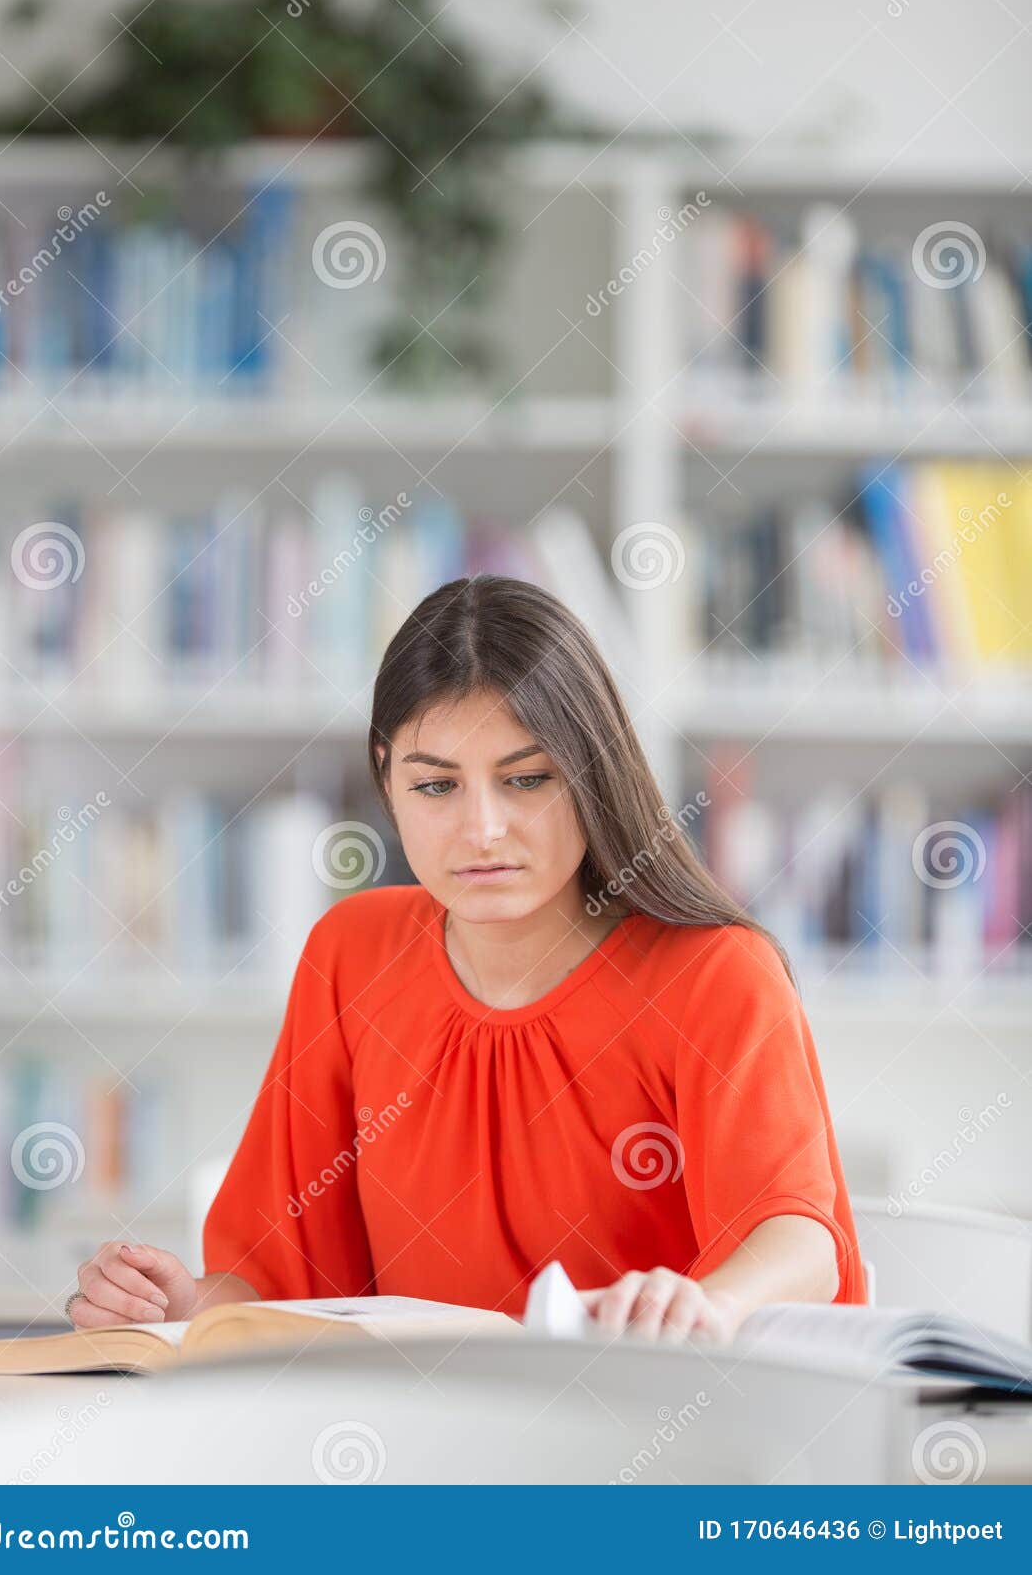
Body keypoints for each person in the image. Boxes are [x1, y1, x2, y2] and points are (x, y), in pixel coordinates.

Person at [67, 574, 866, 1345]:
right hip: (412, 1447)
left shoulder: (713, 973)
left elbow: (798, 1239)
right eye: (436, 788)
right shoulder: (352, 953)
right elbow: (282, 1275)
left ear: (592, 771)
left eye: (525, 780)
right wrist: (181, 1304)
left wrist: (703, 1304)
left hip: (644, 1439)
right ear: (385, 775)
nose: (481, 830)